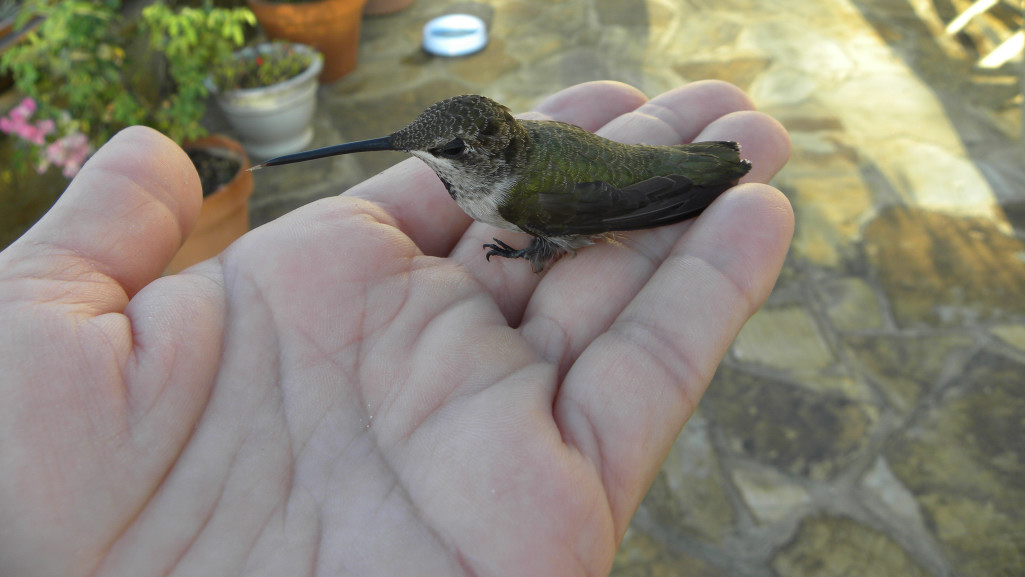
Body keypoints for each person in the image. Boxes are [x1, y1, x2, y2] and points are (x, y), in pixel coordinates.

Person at [0, 80, 793, 576]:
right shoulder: (497, 165)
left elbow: (616, 201)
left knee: (633, 194)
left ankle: (709, 166)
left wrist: (543, 242)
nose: (429, 159)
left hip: (588, 199)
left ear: (487, 147)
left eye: (444, 151)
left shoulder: (519, 190)